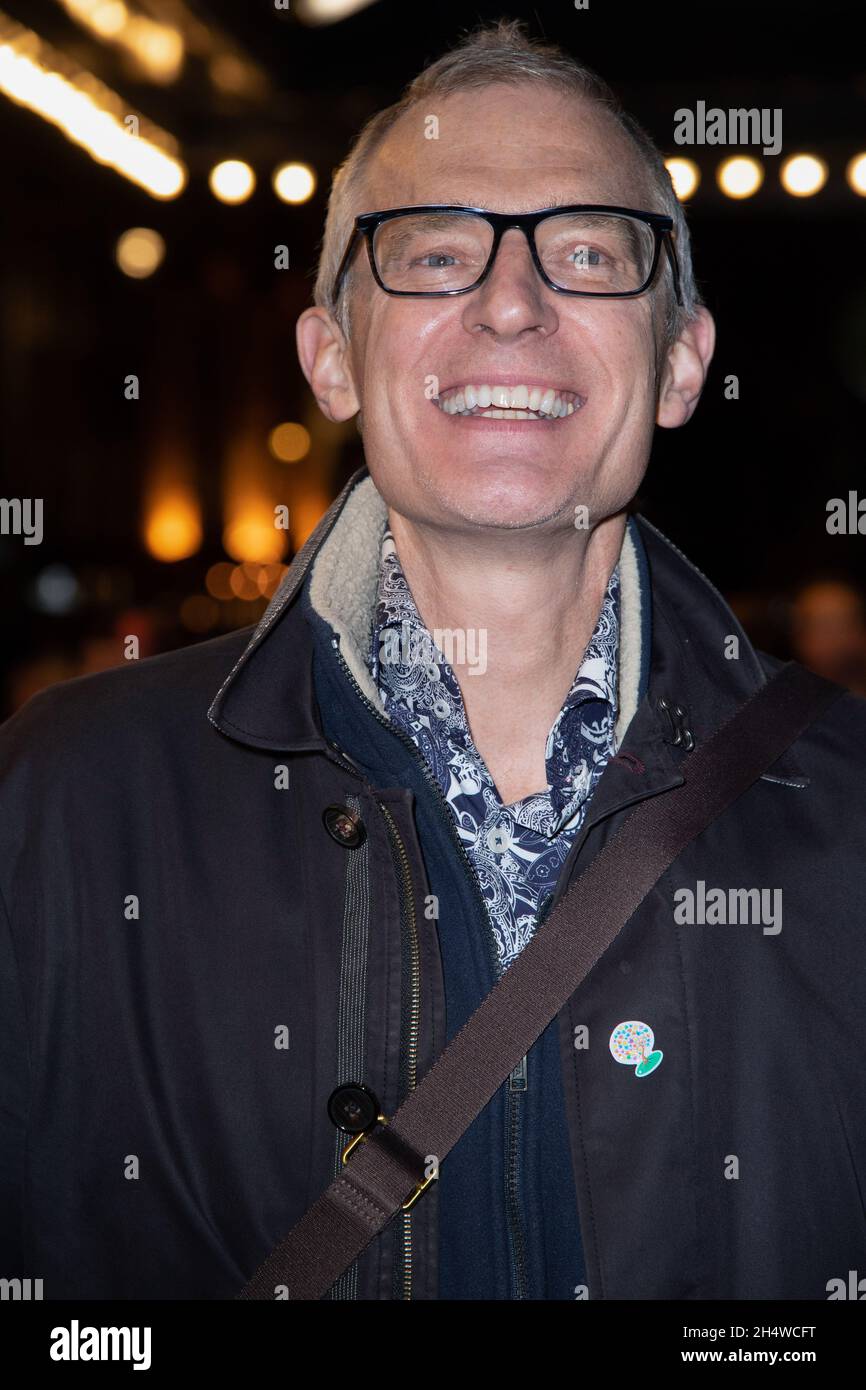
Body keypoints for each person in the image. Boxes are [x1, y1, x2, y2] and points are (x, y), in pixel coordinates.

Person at [1, 18, 865, 1302]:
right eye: (435, 255)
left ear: (680, 364)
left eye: (584, 253)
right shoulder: (62, 801)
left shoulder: (849, 807)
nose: (510, 304)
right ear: (332, 358)